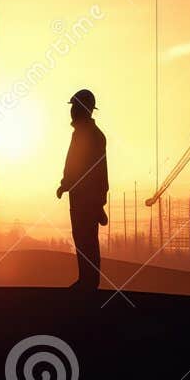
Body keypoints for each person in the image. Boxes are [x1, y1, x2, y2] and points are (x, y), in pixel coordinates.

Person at [56, 88, 109, 291]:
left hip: (86, 198)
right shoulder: (86, 134)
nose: (72, 112)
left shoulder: (89, 136)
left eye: (75, 107)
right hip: (81, 196)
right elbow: (74, 165)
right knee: (82, 237)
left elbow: (88, 168)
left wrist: (97, 201)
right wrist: (66, 184)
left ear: (82, 109)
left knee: (86, 238)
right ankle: (86, 279)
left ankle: (89, 282)